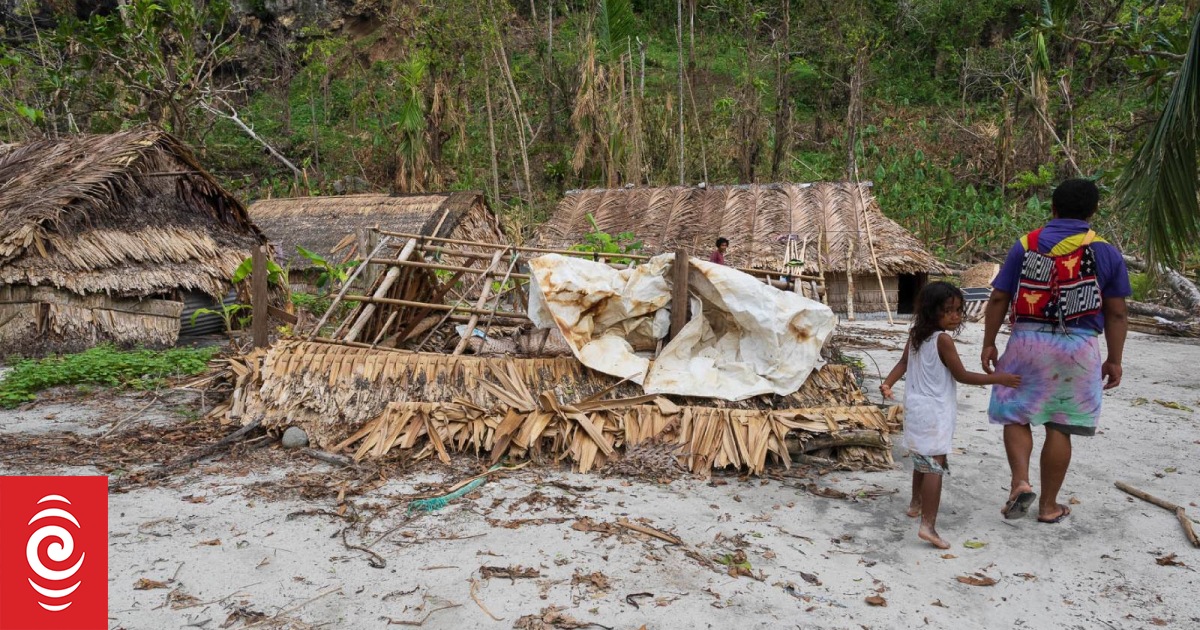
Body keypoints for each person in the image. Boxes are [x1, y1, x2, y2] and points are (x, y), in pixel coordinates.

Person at [982, 178, 1129, 524]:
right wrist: (1115, 359)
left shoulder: (1026, 244)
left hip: (1027, 341)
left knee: (1018, 413)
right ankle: (1048, 505)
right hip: (1077, 348)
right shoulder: (1105, 251)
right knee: (1059, 424)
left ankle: (1020, 482)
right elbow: (1117, 312)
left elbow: (1000, 296)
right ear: (1093, 212)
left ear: (1053, 209)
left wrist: (989, 341)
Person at [881, 282, 1021, 549]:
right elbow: (962, 375)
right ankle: (928, 526)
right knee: (935, 464)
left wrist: (888, 383)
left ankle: (915, 504)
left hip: (916, 407)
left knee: (922, 458)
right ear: (932, 311)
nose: (955, 316)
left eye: (959, 310)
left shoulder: (916, 335)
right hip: (936, 410)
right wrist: (998, 378)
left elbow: (903, 363)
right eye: (948, 311)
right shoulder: (943, 340)